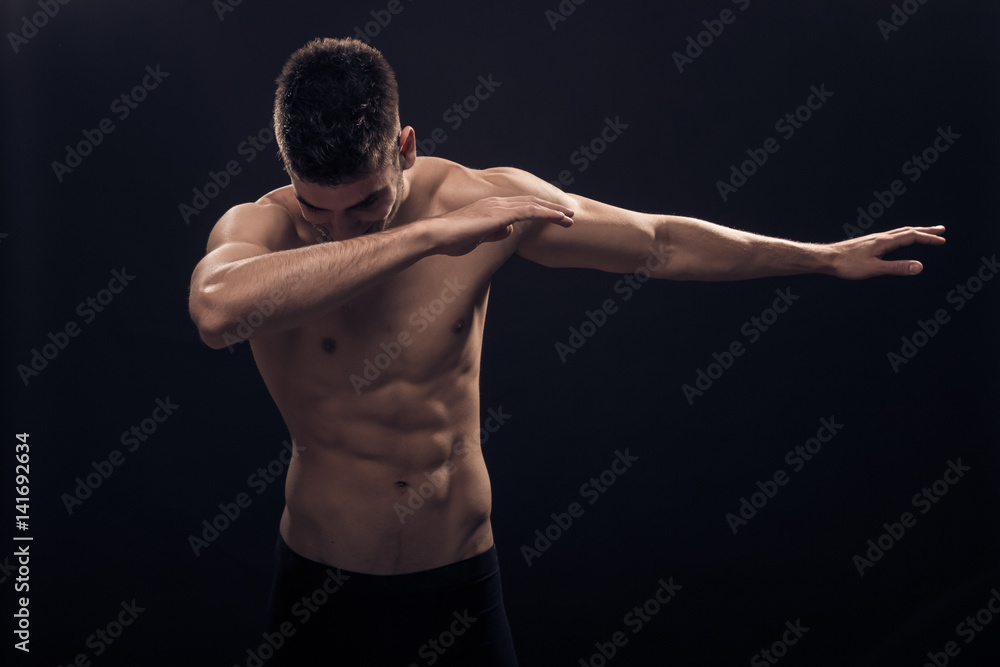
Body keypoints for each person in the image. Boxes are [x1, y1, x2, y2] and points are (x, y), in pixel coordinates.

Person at [187, 37, 945, 666]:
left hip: (457, 573)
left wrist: (821, 257)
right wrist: (417, 237)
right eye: (321, 210)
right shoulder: (260, 231)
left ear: (405, 148)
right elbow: (217, 312)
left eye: (365, 205)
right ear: (288, 172)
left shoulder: (482, 200)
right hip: (321, 584)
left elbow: (658, 241)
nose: (344, 229)